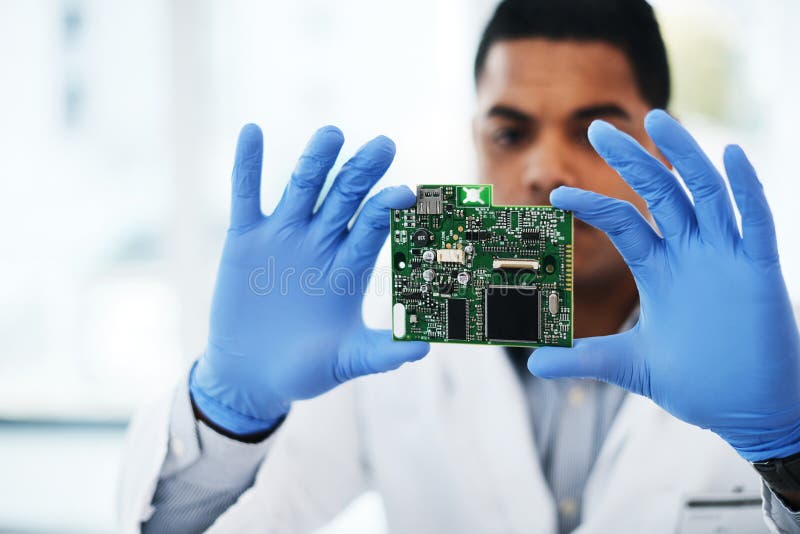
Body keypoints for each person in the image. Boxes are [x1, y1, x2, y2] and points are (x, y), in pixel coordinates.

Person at [118, 1, 800, 532]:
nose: (543, 170)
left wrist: (788, 454)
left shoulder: (756, 350)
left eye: (595, 132)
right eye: (510, 133)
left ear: (664, 136)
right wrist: (227, 414)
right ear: (475, 141)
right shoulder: (387, 344)